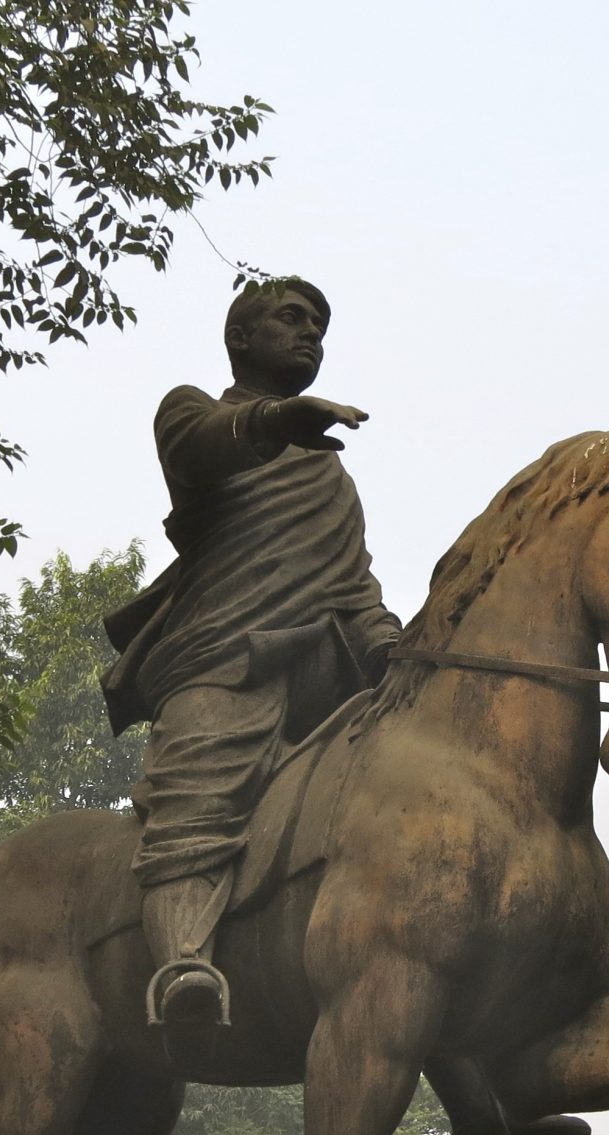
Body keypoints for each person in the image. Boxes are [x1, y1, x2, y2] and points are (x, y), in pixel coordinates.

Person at [101, 277, 400, 1037]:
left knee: (405, 831)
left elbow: (354, 589)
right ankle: (182, 964)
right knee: (195, 804)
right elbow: (199, 457)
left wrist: (397, 652)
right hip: (222, 664)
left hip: (322, 689)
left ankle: (466, 1075)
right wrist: (274, 421)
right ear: (242, 337)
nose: (310, 335)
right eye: (291, 319)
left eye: (320, 326)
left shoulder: (331, 476)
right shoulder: (196, 411)